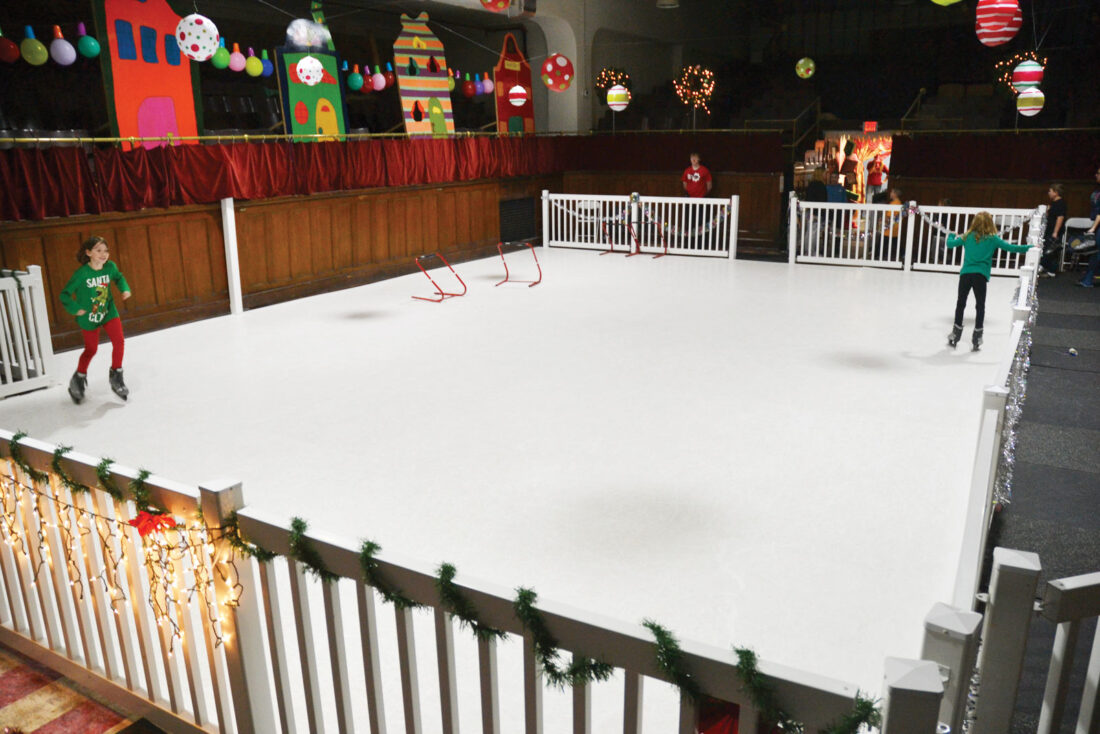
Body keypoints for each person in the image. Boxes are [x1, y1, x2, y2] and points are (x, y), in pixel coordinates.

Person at [945, 211, 1034, 350]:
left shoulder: (967, 236)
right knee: (980, 305)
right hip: (980, 276)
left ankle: (955, 333)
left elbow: (950, 244)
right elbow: (1012, 248)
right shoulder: (993, 239)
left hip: (966, 274)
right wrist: (1029, 247)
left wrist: (951, 234)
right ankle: (977, 335)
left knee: (960, 303)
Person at [60, 236, 133, 403]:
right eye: (98, 250)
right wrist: (74, 308)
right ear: (88, 252)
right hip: (89, 316)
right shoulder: (81, 274)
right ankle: (78, 378)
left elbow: (119, 277)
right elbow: (64, 294)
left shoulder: (110, 267)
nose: (103, 254)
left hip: (108, 312)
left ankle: (116, 375)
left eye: (106, 250)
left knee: (119, 341)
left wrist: (125, 289)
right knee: (91, 349)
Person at [1077, 166, 1100, 288]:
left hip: (1098, 225)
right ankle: (1088, 279)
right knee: (1096, 253)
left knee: (1097, 254)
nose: (1096, 175)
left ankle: (1088, 279)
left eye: (1098, 173)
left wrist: (1093, 228)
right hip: (1097, 224)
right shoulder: (1097, 191)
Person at [1038, 183, 1067, 277]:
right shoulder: (1053, 203)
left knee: (1051, 250)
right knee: (1046, 248)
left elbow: (1060, 218)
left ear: (1056, 192)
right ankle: (1044, 266)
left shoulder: (1061, 203)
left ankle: (1051, 270)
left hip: (1054, 230)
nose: (1048, 193)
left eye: (1050, 191)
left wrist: (1055, 232)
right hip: (1049, 229)